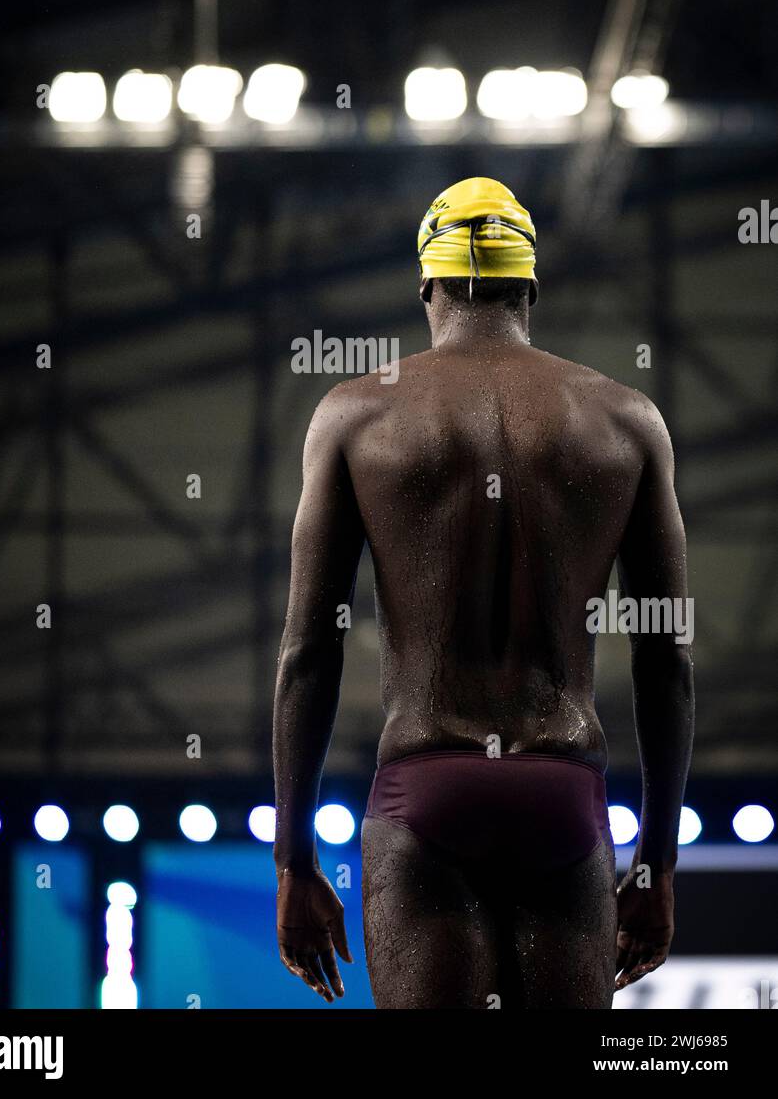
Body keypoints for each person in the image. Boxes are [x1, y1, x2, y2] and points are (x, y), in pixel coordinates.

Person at [273, 176, 694, 1009]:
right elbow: (668, 659)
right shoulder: (626, 419)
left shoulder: (356, 413)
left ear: (428, 284)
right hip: (563, 789)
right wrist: (658, 861)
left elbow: (307, 651)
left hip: (426, 786)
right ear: (528, 284)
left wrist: (292, 861)